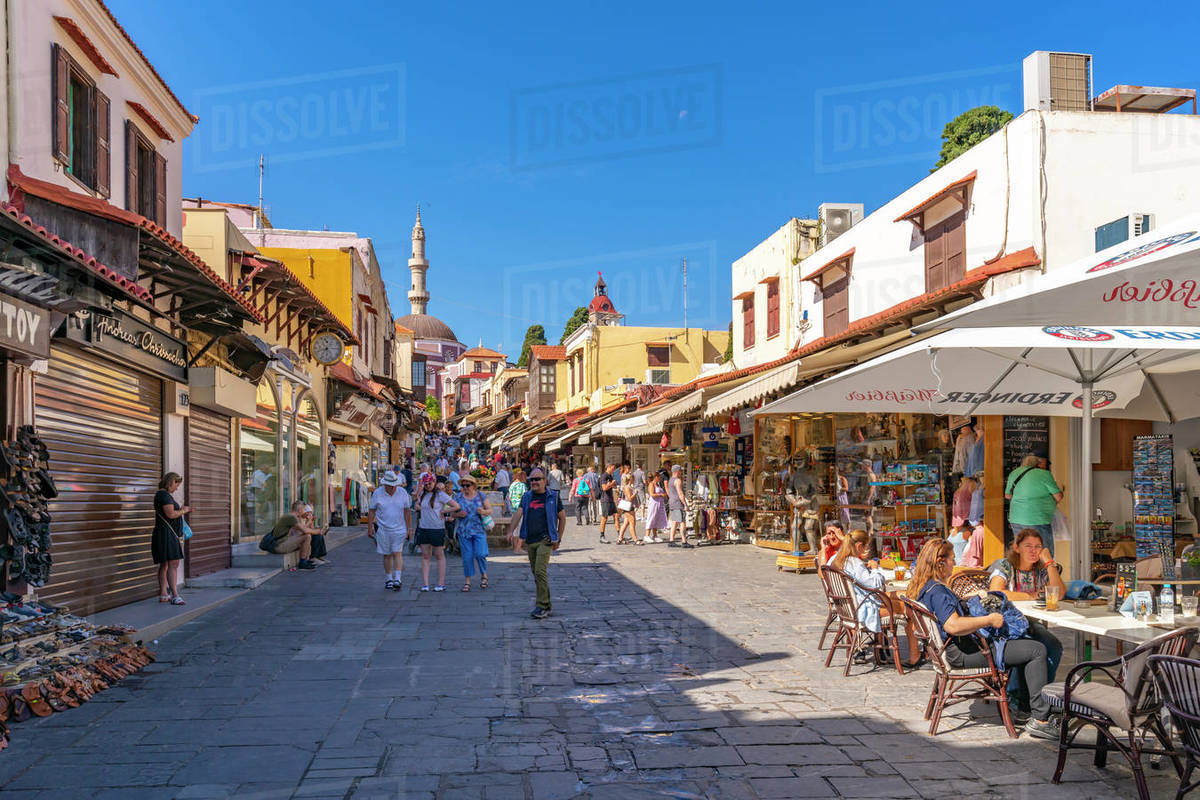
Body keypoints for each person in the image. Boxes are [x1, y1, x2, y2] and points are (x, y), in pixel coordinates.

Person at [905, 538, 1057, 739]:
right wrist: (989, 619)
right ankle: (1041, 719)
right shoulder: (939, 592)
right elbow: (953, 625)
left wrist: (969, 598)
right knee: (1037, 649)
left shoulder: (926, 587)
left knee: (1025, 643)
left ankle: (1025, 709)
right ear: (940, 562)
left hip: (951, 651)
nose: (955, 562)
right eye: (952, 558)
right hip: (963, 653)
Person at [988, 527, 1065, 683]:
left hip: (1031, 622)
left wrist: (1049, 562)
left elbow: (1060, 593)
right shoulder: (1005, 565)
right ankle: (1017, 696)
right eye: (1028, 546)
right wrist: (1030, 596)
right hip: (1006, 625)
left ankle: (1043, 691)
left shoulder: (1041, 570)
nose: (1033, 551)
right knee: (1034, 646)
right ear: (1017, 548)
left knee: (1054, 646)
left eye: (1037, 547)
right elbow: (996, 591)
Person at [511, 468, 565, 619]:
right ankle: (547, 604)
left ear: (544, 481)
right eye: (532, 480)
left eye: (537, 479)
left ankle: (541, 605)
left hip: (546, 540)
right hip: (530, 540)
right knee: (536, 573)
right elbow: (518, 513)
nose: (534, 482)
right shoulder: (527, 496)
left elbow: (562, 518)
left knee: (540, 571)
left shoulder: (553, 496)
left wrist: (558, 539)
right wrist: (511, 530)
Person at [830, 529, 887, 661]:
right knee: (898, 603)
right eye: (865, 546)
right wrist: (875, 569)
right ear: (859, 546)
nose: (866, 549)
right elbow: (874, 584)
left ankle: (862, 645)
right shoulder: (855, 563)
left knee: (889, 598)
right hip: (860, 609)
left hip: (845, 609)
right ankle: (886, 649)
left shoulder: (836, 560)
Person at [1005, 454, 1063, 557]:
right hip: (1038, 519)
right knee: (1044, 553)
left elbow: (1008, 495)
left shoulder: (1014, 473)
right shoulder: (1044, 474)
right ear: (1038, 464)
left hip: (1016, 519)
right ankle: (1043, 573)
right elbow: (1058, 496)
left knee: (1023, 551)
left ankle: (1025, 572)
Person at [414, 474, 460, 592]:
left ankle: (441, 583)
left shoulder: (440, 494)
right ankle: (425, 584)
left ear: (434, 482)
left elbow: (456, 506)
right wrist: (418, 506)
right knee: (425, 556)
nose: (428, 486)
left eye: (430, 483)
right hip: (424, 527)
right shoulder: (423, 494)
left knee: (439, 555)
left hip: (437, 528)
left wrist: (444, 511)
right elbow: (416, 504)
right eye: (426, 484)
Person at [368, 471, 412, 591]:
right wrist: (370, 527)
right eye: (390, 485)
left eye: (394, 485)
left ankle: (397, 578)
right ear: (385, 485)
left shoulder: (402, 493)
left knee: (397, 552)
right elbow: (372, 510)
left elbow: (407, 511)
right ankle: (389, 579)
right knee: (387, 554)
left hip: (399, 528)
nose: (392, 488)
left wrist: (409, 528)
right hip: (383, 528)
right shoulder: (377, 493)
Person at [153, 472, 189, 605]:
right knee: (173, 563)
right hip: (168, 534)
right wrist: (184, 510)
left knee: (165, 564)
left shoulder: (160, 495)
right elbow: (171, 514)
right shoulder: (164, 496)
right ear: (171, 482)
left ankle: (164, 593)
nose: (177, 488)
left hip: (163, 533)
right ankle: (175, 594)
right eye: (176, 485)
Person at [454, 475, 491, 591]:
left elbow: (490, 510)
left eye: (467, 485)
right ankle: (468, 581)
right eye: (463, 485)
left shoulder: (481, 496)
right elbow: (451, 514)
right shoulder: (458, 497)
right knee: (467, 557)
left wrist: (483, 511)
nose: (465, 487)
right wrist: (458, 514)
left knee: (480, 554)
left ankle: (484, 574)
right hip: (463, 531)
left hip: (479, 530)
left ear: (473, 486)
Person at [666, 464, 690, 548]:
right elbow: (680, 493)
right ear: (677, 471)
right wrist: (685, 504)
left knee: (674, 523)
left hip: (672, 502)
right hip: (677, 503)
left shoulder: (670, 480)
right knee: (682, 522)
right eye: (680, 471)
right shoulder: (677, 480)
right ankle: (684, 541)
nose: (681, 472)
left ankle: (671, 540)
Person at [643, 471, 668, 544]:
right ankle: (647, 535)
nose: (660, 478)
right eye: (659, 477)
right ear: (656, 477)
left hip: (659, 504)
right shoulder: (651, 484)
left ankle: (655, 535)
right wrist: (661, 495)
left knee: (656, 518)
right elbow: (652, 494)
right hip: (653, 504)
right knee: (651, 517)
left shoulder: (658, 484)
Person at [598, 465, 618, 544]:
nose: (613, 470)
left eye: (614, 469)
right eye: (612, 469)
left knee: (616, 516)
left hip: (611, 499)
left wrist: (612, 484)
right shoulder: (604, 476)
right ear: (608, 467)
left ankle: (620, 534)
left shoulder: (610, 476)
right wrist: (611, 484)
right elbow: (604, 488)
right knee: (604, 518)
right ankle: (602, 536)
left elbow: (615, 486)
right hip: (605, 499)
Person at [616, 473, 639, 545]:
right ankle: (635, 540)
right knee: (632, 524)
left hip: (628, 507)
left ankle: (619, 539)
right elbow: (629, 498)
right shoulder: (627, 487)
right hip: (629, 507)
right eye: (633, 478)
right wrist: (635, 493)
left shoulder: (629, 487)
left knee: (625, 524)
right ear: (630, 479)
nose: (634, 480)